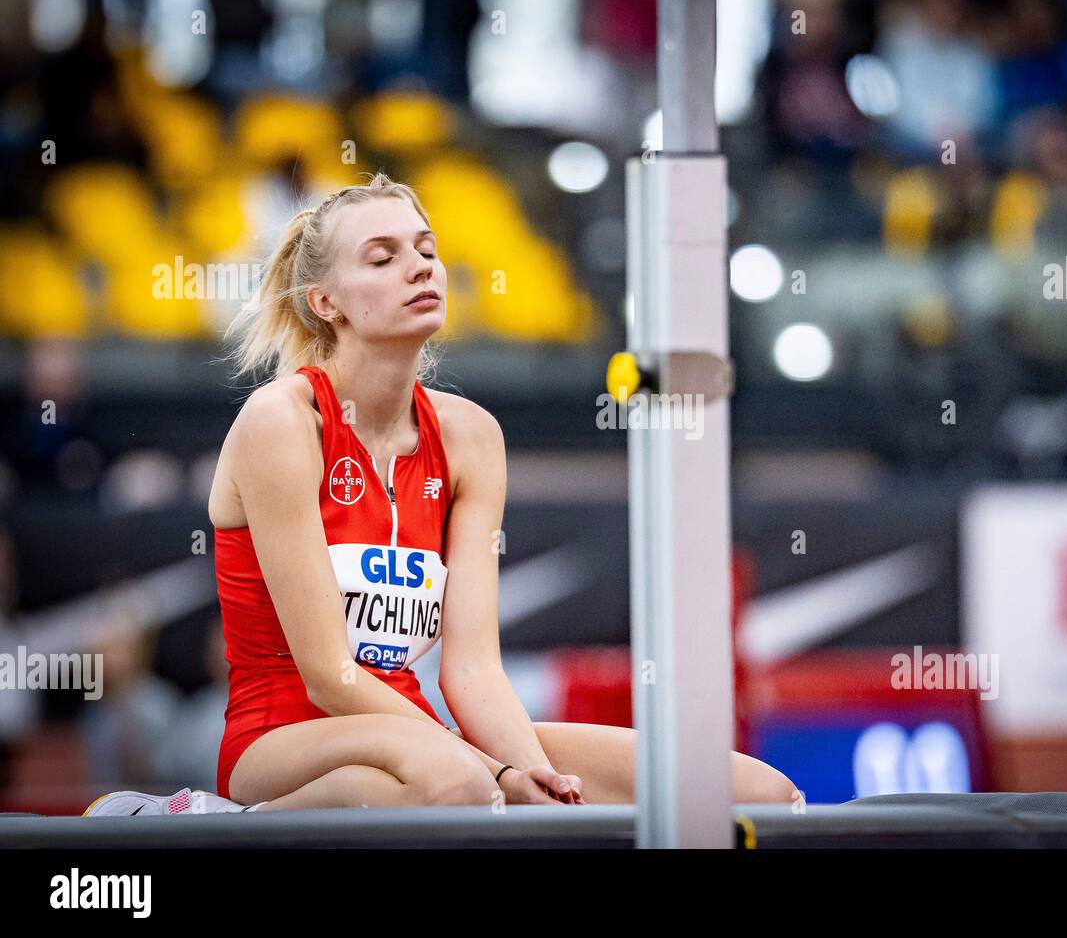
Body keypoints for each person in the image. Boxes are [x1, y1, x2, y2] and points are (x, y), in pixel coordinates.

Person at [85, 174, 796, 816]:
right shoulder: (281, 422)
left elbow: (473, 668)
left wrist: (537, 776)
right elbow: (331, 679)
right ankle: (210, 823)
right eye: (383, 256)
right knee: (461, 787)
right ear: (323, 301)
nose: (420, 265)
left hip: (421, 736)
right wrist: (495, 772)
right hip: (283, 738)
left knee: (757, 794)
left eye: (425, 248)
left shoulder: (471, 437)